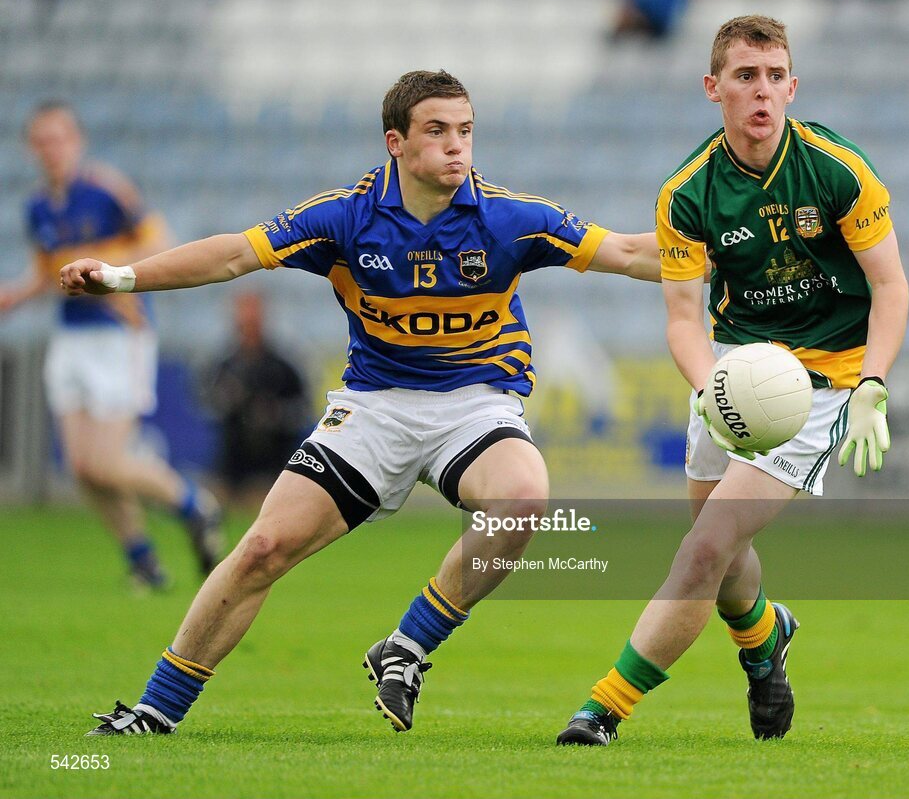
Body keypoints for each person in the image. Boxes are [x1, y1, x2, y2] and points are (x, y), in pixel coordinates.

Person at [59, 70, 662, 736]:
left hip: (475, 405)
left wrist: (734, 252)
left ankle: (407, 646)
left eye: (465, 131)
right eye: (437, 132)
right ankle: (154, 710)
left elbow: (634, 253)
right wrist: (121, 276)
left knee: (523, 497)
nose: (457, 148)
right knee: (261, 546)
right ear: (395, 142)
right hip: (374, 407)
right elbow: (234, 256)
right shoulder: (347, 217)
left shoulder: (509, 218)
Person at [556, 15, 909, 746]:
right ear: (712, 88)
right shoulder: (687, 193)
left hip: (823, 381)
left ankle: (603, 708)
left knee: (705, 547)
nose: (763, 92)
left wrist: (872, 384)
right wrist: (709, 389)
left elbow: (891, 285)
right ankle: (763, 636)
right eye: (746, 76)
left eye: (776, 76)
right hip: (734, 373)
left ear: (793, 85)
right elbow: (684, 320)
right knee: (716, 553)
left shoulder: (838, 168)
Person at [0, 102, 224, 590]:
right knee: (82, 466)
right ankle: (142, 560)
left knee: (105, 460)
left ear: (76, 141)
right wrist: (16, 295)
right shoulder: (39, 206)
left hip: (118, 333)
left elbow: (159, 241)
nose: (51, 149)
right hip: (71, 335)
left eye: (59, 138)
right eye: (42, 141)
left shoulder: (105, 189)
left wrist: (104, 265)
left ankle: (195, 506)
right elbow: (48, 271)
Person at [204, 291, 308, 508]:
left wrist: (274, 413)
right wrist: (229, 400)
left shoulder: (283, 366)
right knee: (211, 502)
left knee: (263, 505)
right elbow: (207, 405)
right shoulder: (224, 365)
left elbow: (302, 411)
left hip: (272, 464)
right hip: (231, 465)